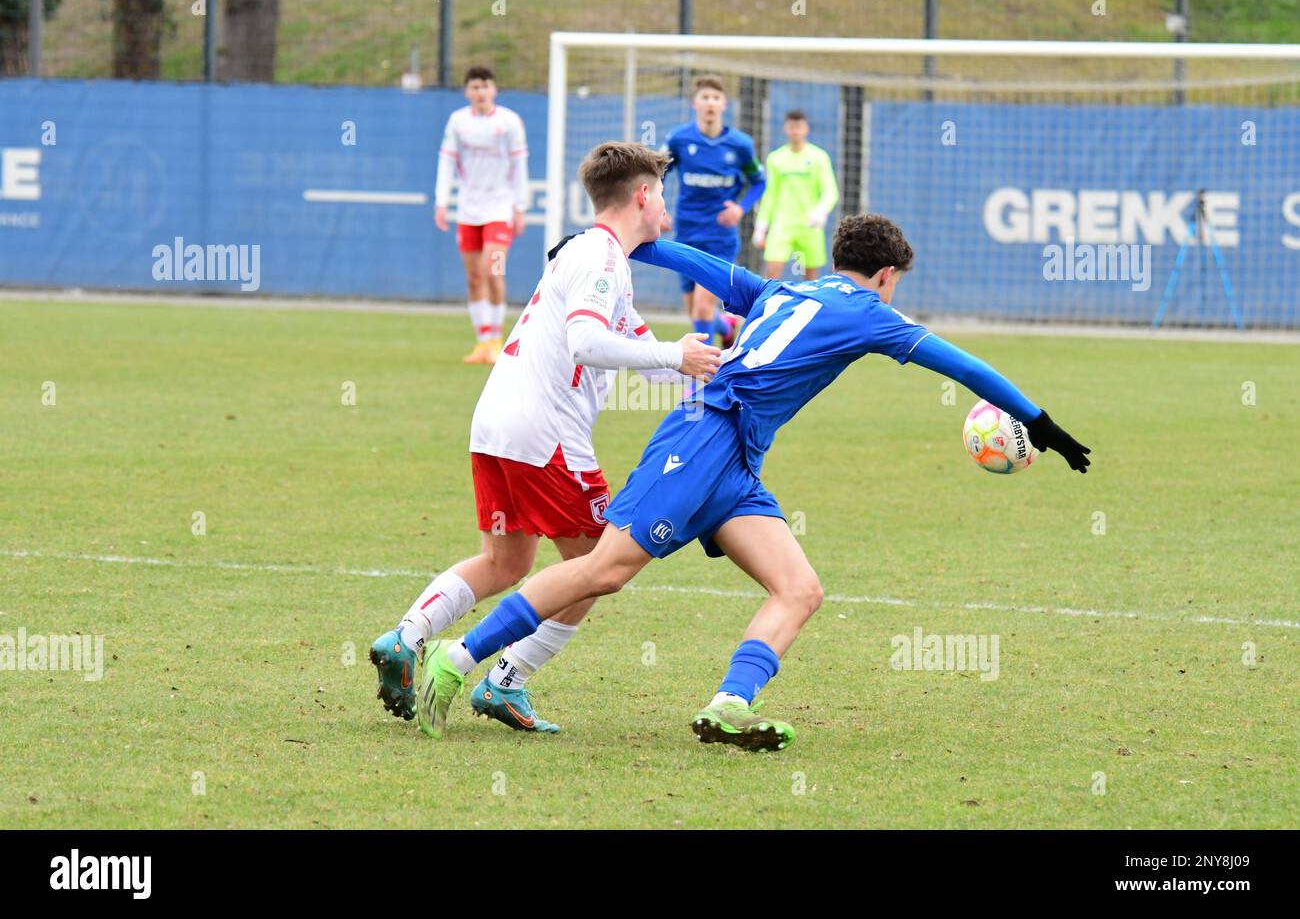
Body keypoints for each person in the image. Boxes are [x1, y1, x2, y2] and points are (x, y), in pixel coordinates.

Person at [416, 214, 1092, 749]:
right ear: (886, 276)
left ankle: (729, 704)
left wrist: (634, 247)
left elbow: (713, 269)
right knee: (605, 570)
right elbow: (962, 365)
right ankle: (459, 657)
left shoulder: (787, 287)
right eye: (895, 284)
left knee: (799, 588)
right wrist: (1041, 422)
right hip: (704, 435)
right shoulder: (871, 313)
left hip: (736, 463)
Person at [373, 141, 720, 733]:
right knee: (598, 568)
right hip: (547, 435)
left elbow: (651, 357)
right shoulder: (603, 260)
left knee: (504, 561)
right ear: (642, 195)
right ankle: (505, 681)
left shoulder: (589, 257)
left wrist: (726, 364)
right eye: (661, 192)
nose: (666, 203)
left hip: (496, 424)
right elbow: (588, 343)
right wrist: (673, 352)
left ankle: (407, 637)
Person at [661, 75, 765, 346]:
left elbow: (759, 182)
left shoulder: (740, 145)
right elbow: (656, 173)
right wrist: (658, 209)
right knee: (694, 311)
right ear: (695, 104)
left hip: (720, 237)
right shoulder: (678, 140)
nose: (710, 103)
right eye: (705, 98)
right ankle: (726, 324)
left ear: (724, 105)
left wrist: (740, 209)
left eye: (715, 98)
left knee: (702, 308)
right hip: (686, 232)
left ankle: (703, 378)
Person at [434, 66, 529, 364]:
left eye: (485, 86)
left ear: (494, 90)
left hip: (499, 208)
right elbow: (447, 163)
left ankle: (497, 339)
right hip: (468, 210)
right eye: (474, 87)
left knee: (493, 270)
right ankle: (482, 341)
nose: (480, 92)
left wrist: (520, 206)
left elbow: (519, 167)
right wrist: (441, 201)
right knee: (474, 277)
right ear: (467, 92)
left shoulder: (510, 122)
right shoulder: (458, 122)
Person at [753, 109, 839, 281]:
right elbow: (770, 194)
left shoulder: (818, 157)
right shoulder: (776, 158)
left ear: (806, 129)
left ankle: (805, 306)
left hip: (809, 226)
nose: (795, 130)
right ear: (785, 128)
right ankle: (769, 306)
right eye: (792, 126)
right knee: (772, 272)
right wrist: (761, 226)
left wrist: (821, 211)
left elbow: (830, 190)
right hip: (782, 225)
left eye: (799, 126)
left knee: (807, 277)